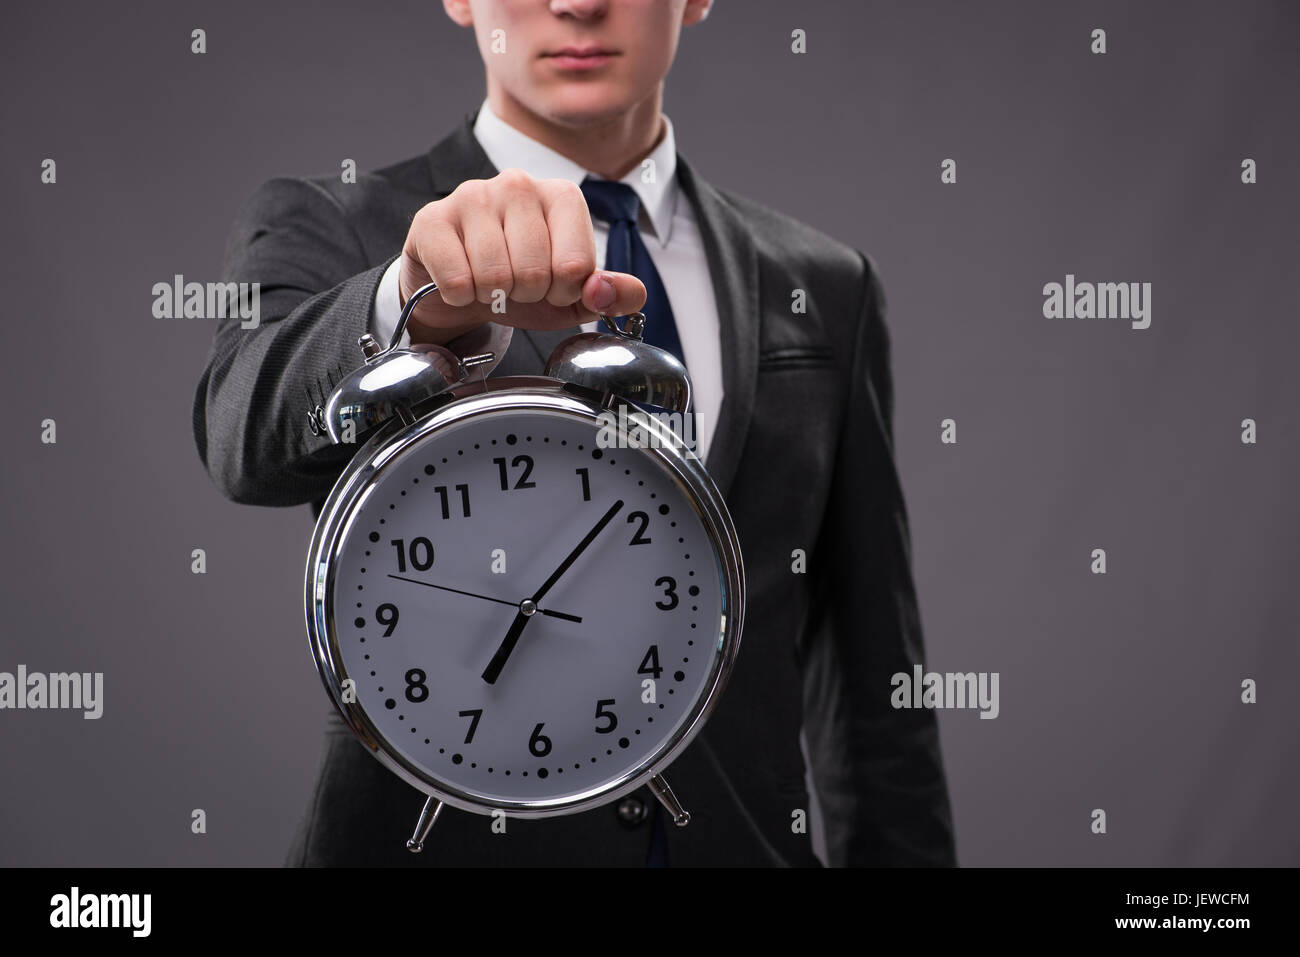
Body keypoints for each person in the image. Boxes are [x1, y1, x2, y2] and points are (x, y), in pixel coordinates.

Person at [193, 0, 956, 867]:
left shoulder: (825, 284)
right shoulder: (333, 221)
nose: (577, 2)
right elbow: (236, 430)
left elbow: (873, 695)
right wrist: (407, 300)